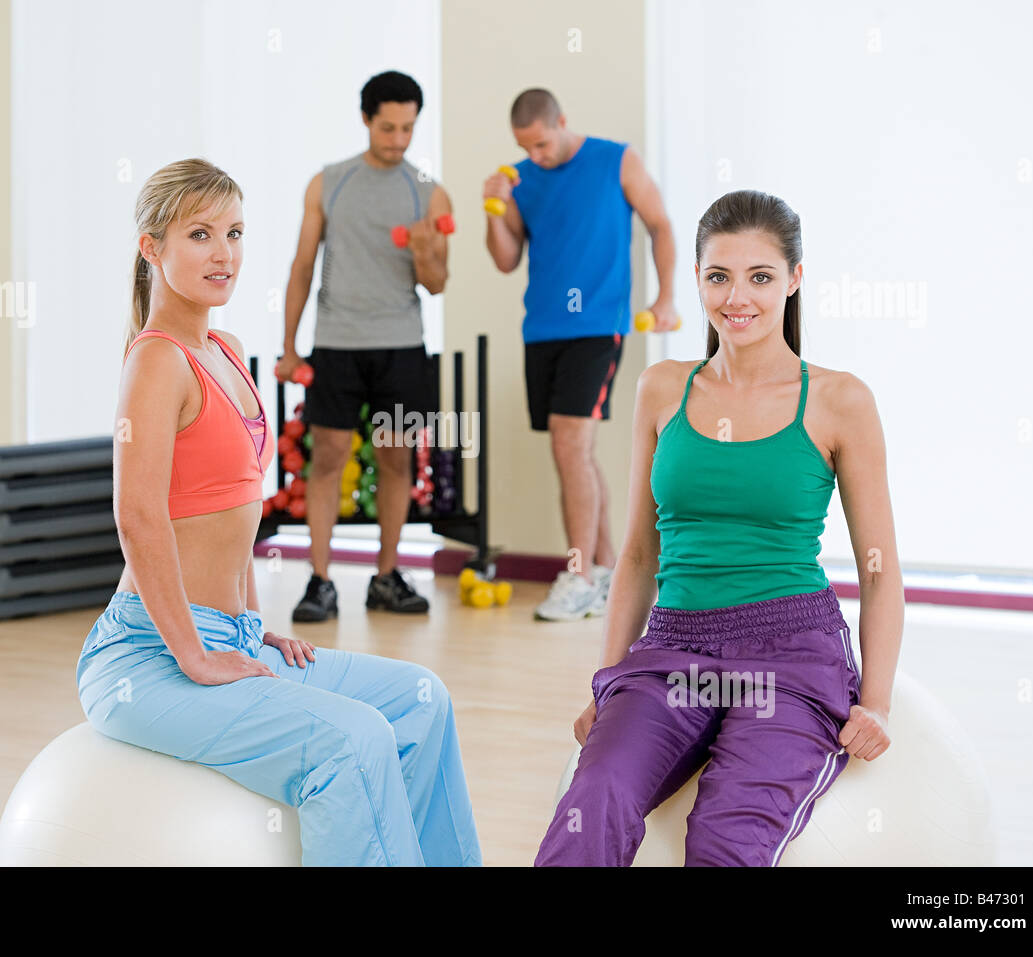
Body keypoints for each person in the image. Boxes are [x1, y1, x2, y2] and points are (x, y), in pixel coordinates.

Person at [77, 158, 482, 866]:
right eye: (199, 234)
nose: (223, 253)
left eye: (234, 232)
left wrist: (251, 629)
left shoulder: (225, 351)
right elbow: (139, 518)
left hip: (228, 631)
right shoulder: (156, 362)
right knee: (350, 741)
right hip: (145, 655)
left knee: (423, 698)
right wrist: (195, 653)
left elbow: (235, 517)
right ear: (152, 247)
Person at [535, 189, 902, 866]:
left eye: (761, 276)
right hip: (674, 645)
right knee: (594, 805)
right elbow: (641, 554)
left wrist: (874, 701)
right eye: (718, 276)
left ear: (794, 279)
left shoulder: (839, 400)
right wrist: (608, 678)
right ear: (697, 279)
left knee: (725, 838)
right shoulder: (662, 388)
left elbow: (879, 571)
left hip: (791, 654)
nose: (739, 297)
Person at [483, 87, 680, 622]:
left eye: (543, 145)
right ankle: (610, 569)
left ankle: (579, 573)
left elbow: (660, 224)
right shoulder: (522, 179)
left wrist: (664, 297)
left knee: (572, 446)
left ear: (563, 121)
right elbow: (506, 259)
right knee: (577, 452)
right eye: (527, 148)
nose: (537, 156)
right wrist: (492, 210)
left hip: (598, 324)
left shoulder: (616, 159)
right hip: (542, 329)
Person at [277, 70, 451, 622]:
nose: (398, 139)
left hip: (400, 345)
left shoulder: (427, 191)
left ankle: (386, 576)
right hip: (337, 345)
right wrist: (288, 346)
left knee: (395, 460)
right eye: (388, 127)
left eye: (408, 128)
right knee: (326, 459)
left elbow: (437, 282)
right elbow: (303, 265)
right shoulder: (329, 183)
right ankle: (321, 580)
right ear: (366, 120)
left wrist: (425, 250)